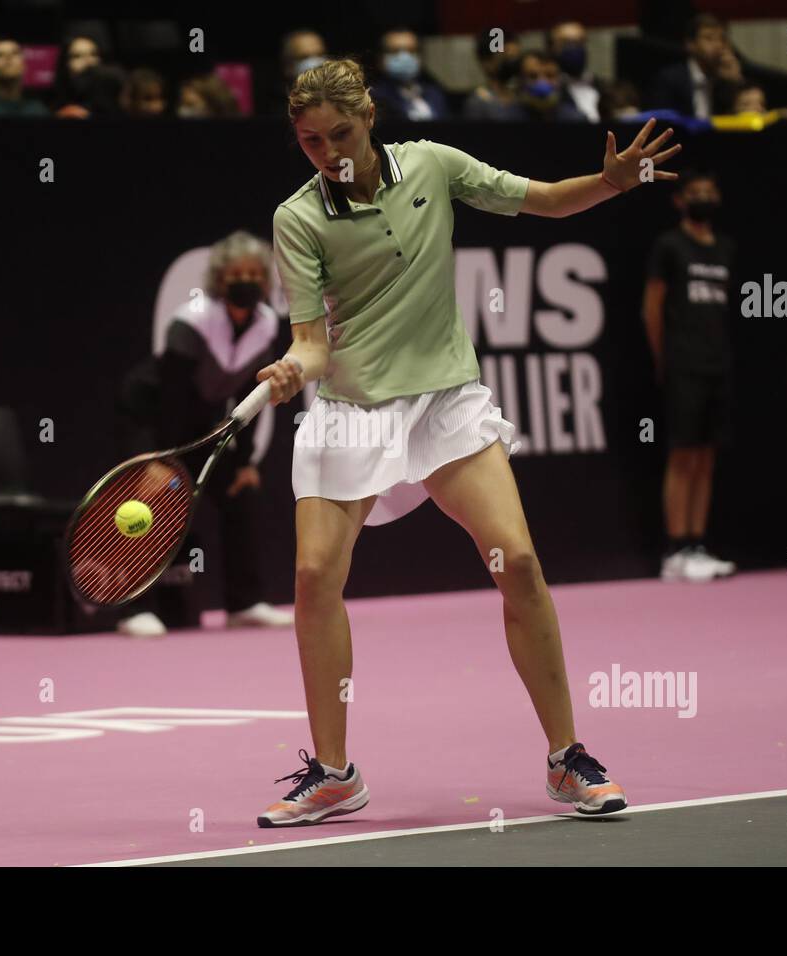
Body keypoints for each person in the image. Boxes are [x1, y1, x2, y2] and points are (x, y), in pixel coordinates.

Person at [257, 57, 681, 827]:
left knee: (516, 559)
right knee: (316, 576)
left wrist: (613, 181)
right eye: (312, 142)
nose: (329, 153)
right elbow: (314, 343)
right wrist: (294, 367)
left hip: (446, 403)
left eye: (341, 134)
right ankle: (333, 773)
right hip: (350, 410)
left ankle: (567, 759)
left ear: (370, 119)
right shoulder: (299, 218)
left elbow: (545, 201)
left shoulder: (434, 165)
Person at [118, 231, 295, 637]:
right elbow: (171, 401)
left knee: (239, 490)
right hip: (148, 417)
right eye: (237, 273)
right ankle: (134, 609)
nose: (247, 280)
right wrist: (161, 460)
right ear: (220, 279)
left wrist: (246, 460)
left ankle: (244, 603)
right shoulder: (192, 322)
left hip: (199, 423)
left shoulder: (265, 325)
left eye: (255, 273)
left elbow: (251, 394)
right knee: (149, 502)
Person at [642, 170, 738, 583]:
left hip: (718, 362)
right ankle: (676, 549)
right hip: (683, 364)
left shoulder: (726, 248)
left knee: (707, 454)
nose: (704, 198)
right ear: (679, 201)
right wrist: (664, 359)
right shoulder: (669, 247)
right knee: (682, 454)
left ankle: (698, 543)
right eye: (695, 193)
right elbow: (652, 307)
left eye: (710, 191)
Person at [645, 13, 728, 120]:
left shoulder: (726, 79)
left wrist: (734, 83)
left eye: (721, 39)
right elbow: (660, 121)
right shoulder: (669, 79)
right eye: (709, 38)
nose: (718, 45)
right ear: (690, 44)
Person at [369, 27, 450, 123]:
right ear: (380, 59)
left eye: (411, 51)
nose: (404, 57)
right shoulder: (375, 97)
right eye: (394, 51)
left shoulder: (435, 93)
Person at [462, 26, 522, 120]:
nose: (513, 64)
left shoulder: (522, 97)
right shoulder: (478, 102)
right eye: (506, 57)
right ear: (486, 62)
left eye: (515, 58)